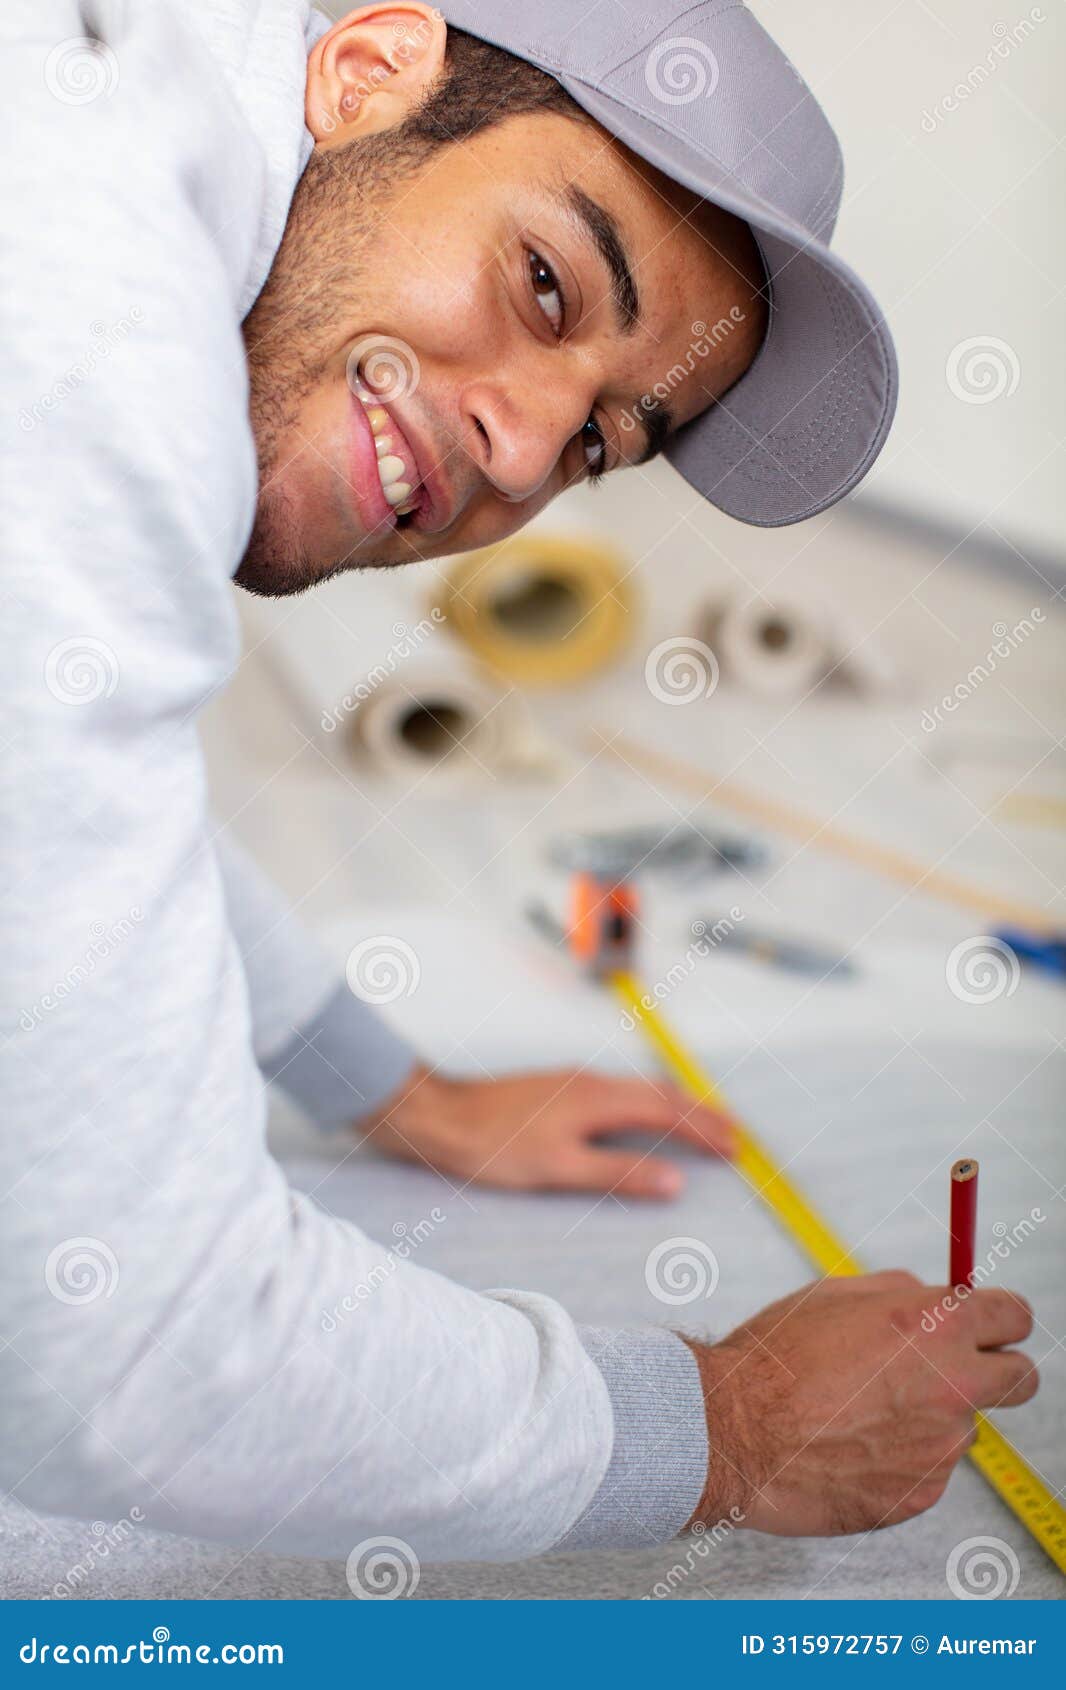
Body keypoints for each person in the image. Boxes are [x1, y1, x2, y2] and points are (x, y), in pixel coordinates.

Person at [2, 0, 1036, 1566]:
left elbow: (66, 812)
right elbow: (129, 1346)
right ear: (368, 69)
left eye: (603, 444)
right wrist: (729, 1421)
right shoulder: (89, 304)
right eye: (544, 280)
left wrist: (394, 1091)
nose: (524, 447)